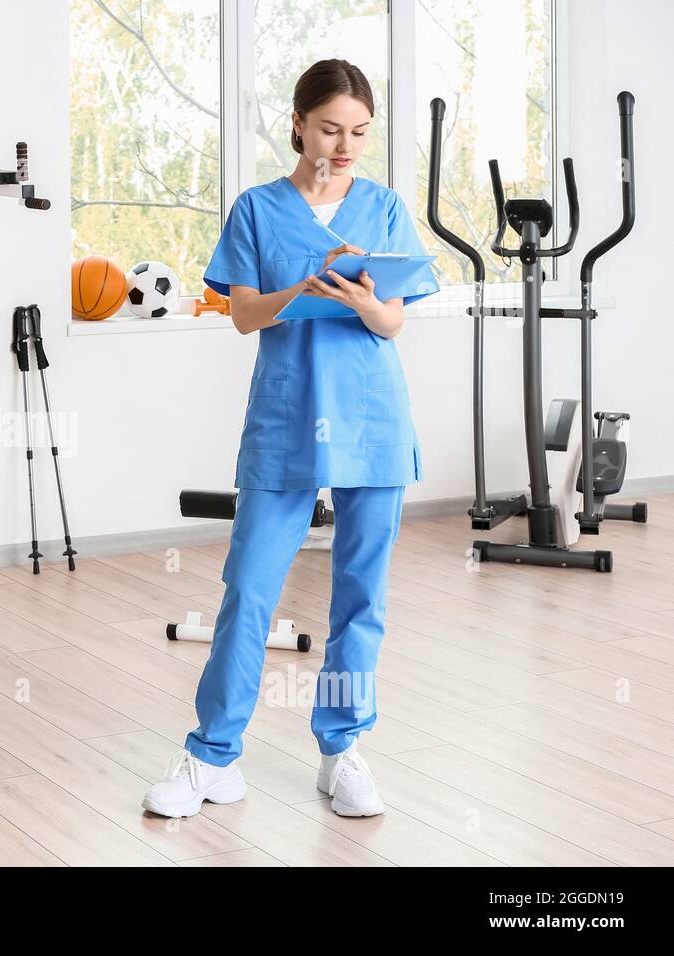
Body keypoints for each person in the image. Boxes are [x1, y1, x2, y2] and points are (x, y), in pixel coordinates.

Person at [142, 59, 437, 819]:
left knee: (360, 594)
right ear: (299, 124)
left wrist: (368, 302)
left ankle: (341, 751)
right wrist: (299, 290)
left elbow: (396, 319)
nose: (345, 146)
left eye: (360, 133)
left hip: (371, 415)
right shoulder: (257, 210)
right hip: (286, 415)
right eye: (332, 129)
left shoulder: (383, 208)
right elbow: (243, 315)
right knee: (249, 588)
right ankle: (213, 757)